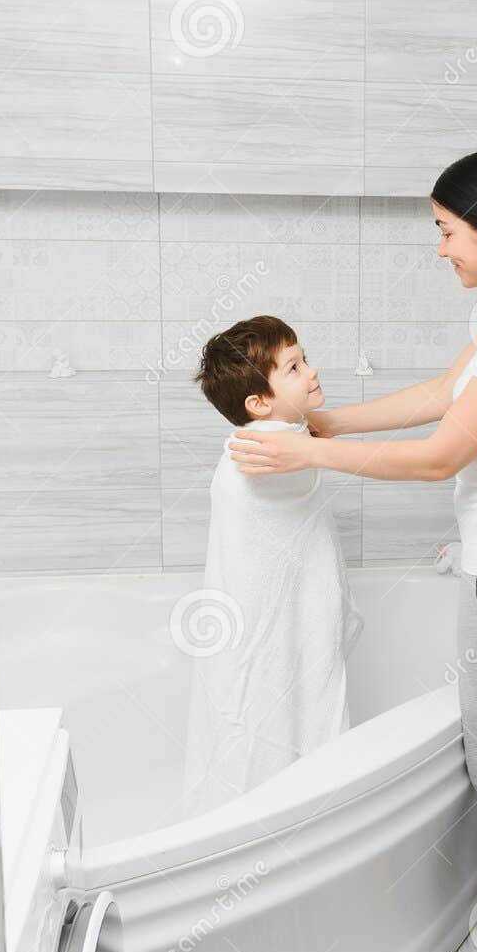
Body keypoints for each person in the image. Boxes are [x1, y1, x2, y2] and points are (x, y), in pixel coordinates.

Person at [226, 145, 477, 952]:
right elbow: (443, 395)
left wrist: (309, 456)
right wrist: (333, 424)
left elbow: (440, 456)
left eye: (446, 231)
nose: (440, 248)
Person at [178, 316, 362, 818]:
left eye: (305, 359)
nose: (311, 371)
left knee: (274, 712)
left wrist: (316, 435)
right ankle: (281, 812)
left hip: (264, 628)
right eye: (294, 367)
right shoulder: (264, 452)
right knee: (273, 714)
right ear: (259, 404)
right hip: (267, 633)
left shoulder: (277, 437)